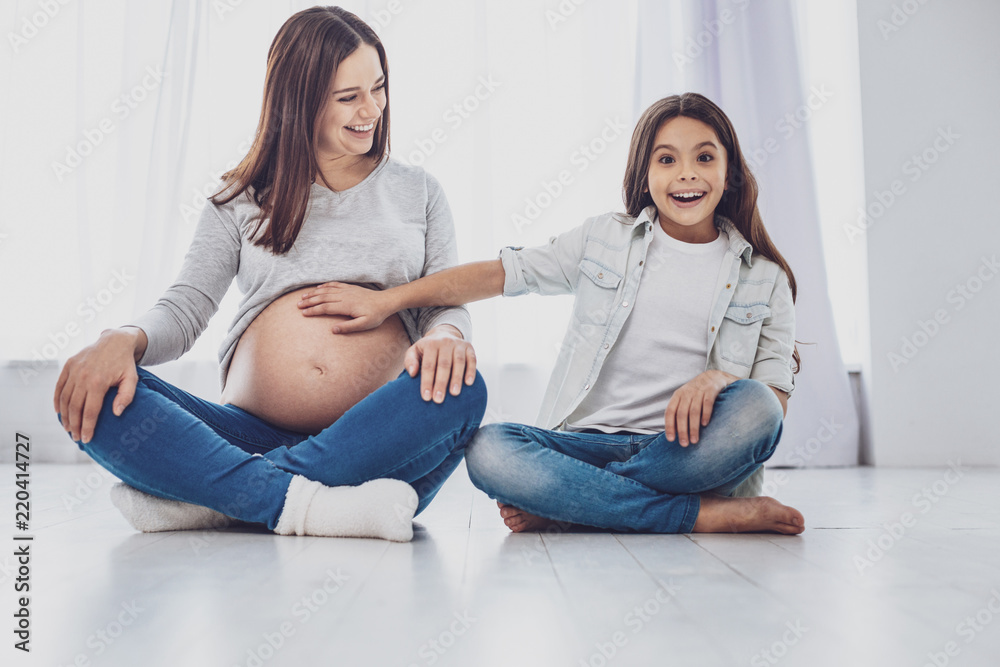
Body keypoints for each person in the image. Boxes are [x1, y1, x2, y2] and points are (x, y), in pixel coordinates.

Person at [51, 6, 487, 542]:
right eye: (349, 97)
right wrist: (124, 338)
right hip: (244, 433)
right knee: (98, 392)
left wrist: (447, 334)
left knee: (465, 391)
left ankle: (223, 498)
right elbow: (185, 308)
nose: (371, 109)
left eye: (379, 87)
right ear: (298, 100)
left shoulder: (419, 192)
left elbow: (444, 299)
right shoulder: (239, 199)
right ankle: (305, 502)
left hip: (375, 441)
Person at [294, 92, 805, 535]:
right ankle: (694, 517)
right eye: (666, 159)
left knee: (755, 407)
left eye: (705, 157)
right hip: (578, 448)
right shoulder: (604, 239)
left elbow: (771, 409)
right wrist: (387, 300)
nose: (687, 174)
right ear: (644, 174)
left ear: (729, 171)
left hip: (683, 455)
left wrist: (717, 381)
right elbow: (500, 274)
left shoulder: (766, 278)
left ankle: (574, 504)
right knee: (491, 449)